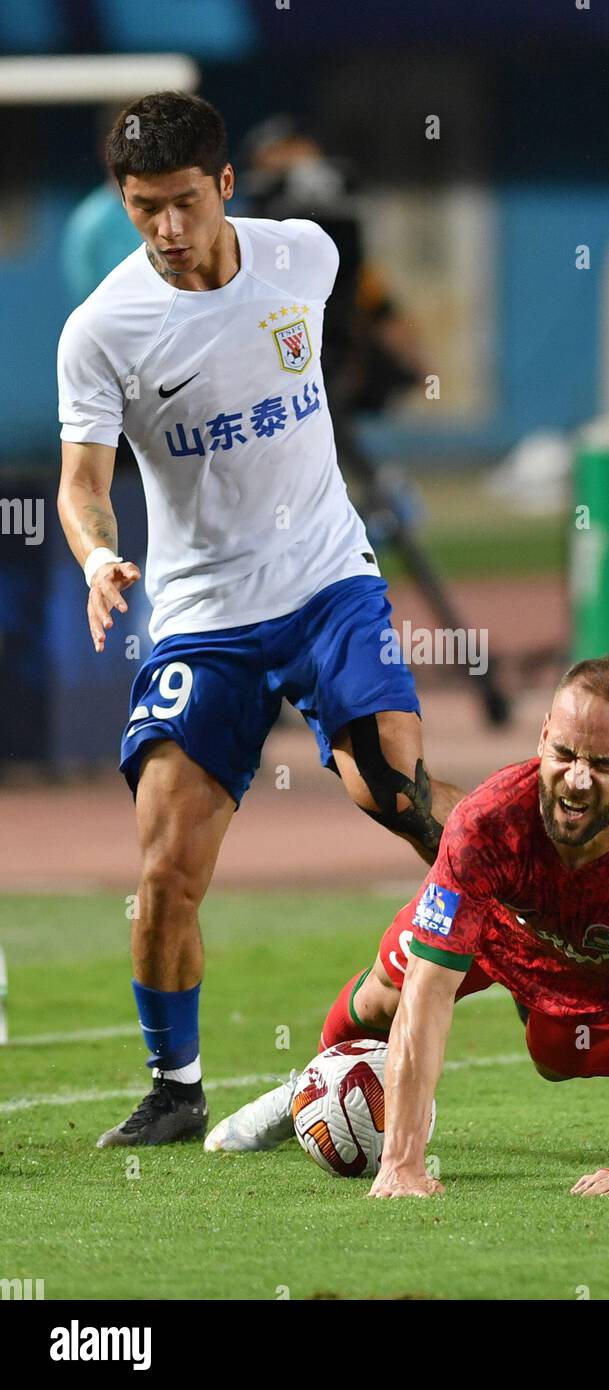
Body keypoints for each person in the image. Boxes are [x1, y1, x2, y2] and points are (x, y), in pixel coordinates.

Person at [55, 91, 464, 1150]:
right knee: (165, 872)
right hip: (204, 616)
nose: (168, 230)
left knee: (394, 789)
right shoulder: (102, 331)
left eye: (186, 202)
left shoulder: (305, 258)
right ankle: (174, 1085)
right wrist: (101, 555)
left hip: (327, 576)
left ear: (225, 186)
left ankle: (530, 896)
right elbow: (83, 481)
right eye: (145, 208)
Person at [206, 656, 609, 1199]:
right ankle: (305, 1096)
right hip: (492, 927)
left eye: (604, 763)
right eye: (563, 753)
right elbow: (429, 990)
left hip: (598, 978)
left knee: (556, 1058)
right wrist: (403, 1164)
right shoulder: (487, 822)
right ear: (542, 737)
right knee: (381, 994)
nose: (577, 778)